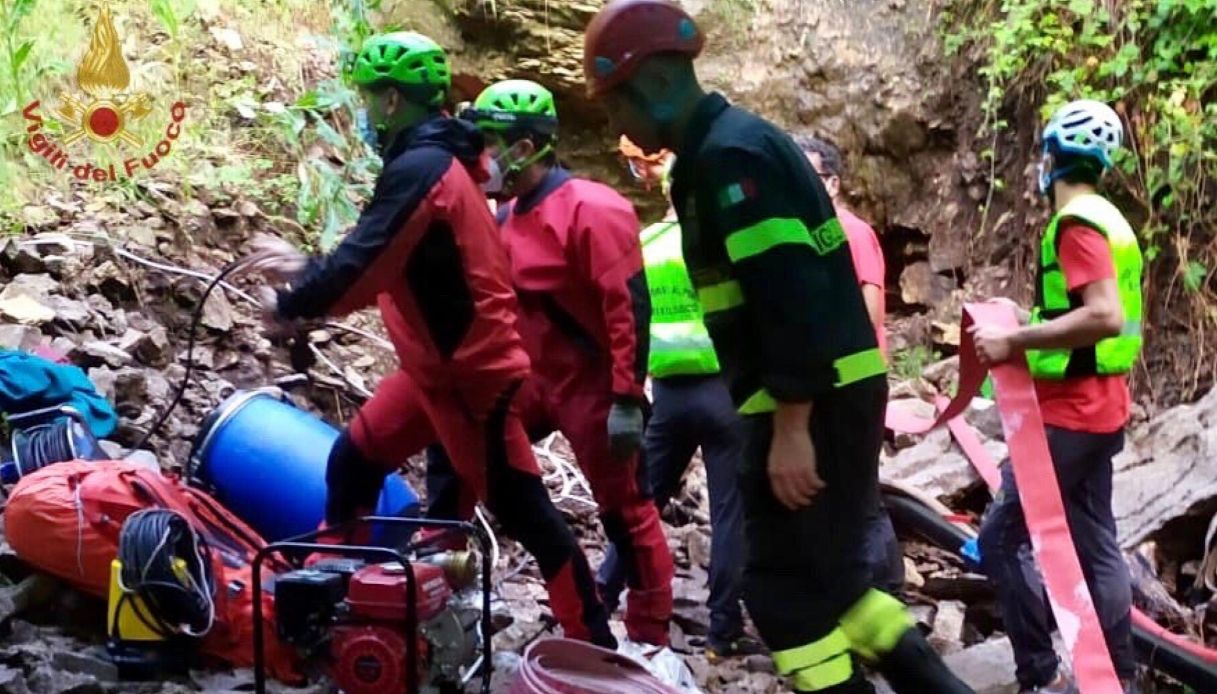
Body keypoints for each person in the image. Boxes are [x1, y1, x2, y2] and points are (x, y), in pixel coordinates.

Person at [583, 3, 973, 692]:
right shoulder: (716, 154)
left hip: (810, 401)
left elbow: (786, 293)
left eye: (616, 104)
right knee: (836, 583)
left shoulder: (730, 158)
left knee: (780, 593)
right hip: (824, 392)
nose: (615, 125)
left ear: (656, 83)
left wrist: (791, 428)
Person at [241, 33, 615, 649]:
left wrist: (291, 304)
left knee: (527, 515)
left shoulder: (424, 167)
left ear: (391, 101)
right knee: (355, 460)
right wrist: (305, 268)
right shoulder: (432, 159)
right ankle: (331, 601)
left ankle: (594, 645)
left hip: (472, 377)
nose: (364, 113)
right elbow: (392, 255)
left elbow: (369, 261)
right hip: (432, 371)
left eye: (368, 99)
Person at [448, 78, 675, 646]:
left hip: (590, 384)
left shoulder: (592, 209)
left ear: (526, 148)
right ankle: (447, 578)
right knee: (464, 453)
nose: (483, 155)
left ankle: (649, 634)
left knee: (626, 511)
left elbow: (627, 306)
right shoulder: (503, 217)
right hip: (529, 378)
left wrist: (626, 398)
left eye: (492, 141)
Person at [970, 99, 1141, 694]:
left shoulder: (1076, 224)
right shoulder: (1110, 217)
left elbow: (1102, 316)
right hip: (1104, 407)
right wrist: (1029, 317)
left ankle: (1038, 674)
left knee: (1000, 538)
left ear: (1052, 158)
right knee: (1096, 539)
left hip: (1071, 415)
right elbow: (1083, 314)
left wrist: (1014, 339)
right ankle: (1120, 677)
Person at [597, 136, 758, 661]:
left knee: (640, 502)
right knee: (729, 513)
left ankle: (600, 595)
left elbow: (628, 317)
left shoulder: (647, 243)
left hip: (666, 393)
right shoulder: (721, 244)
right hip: (722, 390)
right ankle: (722, 631)